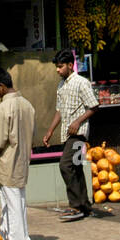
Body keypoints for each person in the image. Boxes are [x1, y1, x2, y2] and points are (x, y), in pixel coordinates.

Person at [42, 49, 99, 222]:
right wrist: (50, 130)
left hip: (79, 134)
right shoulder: (61, 85)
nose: (58, 70)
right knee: (75, 167)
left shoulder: (82, 82)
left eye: (60, 67)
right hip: (66, 134)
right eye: (57, 67)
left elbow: (94, 106)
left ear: (69, 65)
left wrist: (77, 122)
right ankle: (85, 206)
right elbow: (59, 110)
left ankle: (75, 206)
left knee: (65, 165)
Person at [0, 69, 35, 240]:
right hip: (22, 161)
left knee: (12, 204)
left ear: (2, 87)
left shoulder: (4, 108)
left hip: (8, 162)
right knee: (17, 203)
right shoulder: (28, 105)